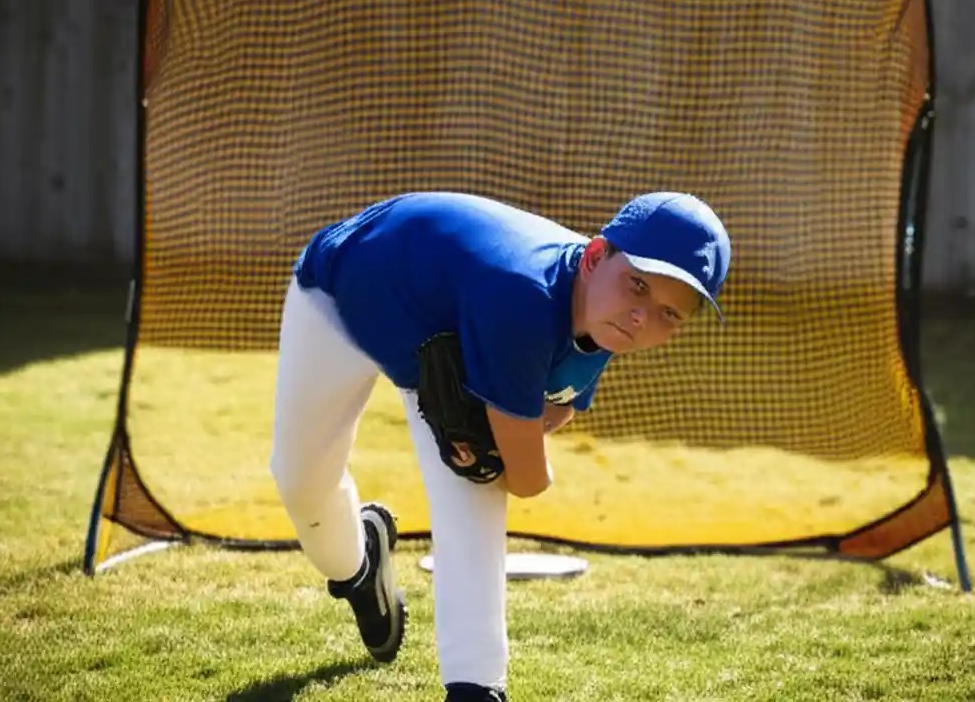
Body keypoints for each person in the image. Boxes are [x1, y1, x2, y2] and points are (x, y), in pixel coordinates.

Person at [269, 190, 730, 701]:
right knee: (300, 479)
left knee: (475, 487)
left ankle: (477, 687)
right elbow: (529, 479)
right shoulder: (525, 295)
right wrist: (508, 448)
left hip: (447, 339)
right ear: (596, 256)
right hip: (341, 295)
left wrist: (499, 444)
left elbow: (557, 404)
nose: (642, 318)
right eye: (638, 285)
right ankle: (358, 567)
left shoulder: (605, 312)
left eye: (669, 313)